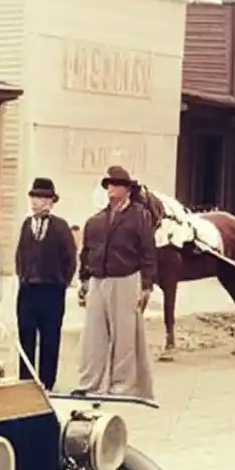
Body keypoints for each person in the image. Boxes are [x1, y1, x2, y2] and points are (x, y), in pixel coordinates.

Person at [76, 165, 157, 399]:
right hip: (99, 278)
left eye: (116, 184)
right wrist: (84, 279)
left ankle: (122, 385)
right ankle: (89, 382)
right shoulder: (97, 219)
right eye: (109, 185)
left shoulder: (139, 216)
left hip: (126, 278)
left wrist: (147, 283)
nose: (111, 188)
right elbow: (87, 251)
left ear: (127, 190)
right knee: (93, 334)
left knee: (124, 336)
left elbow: (148, 251)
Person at [14, 177, 76, 390]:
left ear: (50, 201)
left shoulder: (60, 227)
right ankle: (26, 380)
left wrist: (61, 282)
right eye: (33, 197)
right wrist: (22, 277)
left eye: (40, 198)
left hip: (51, 290)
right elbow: (20, 254)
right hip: (28, 290)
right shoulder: (26, 224)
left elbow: (70, 258)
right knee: (25, 335)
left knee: (50, 337)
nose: (35, 202)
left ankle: (47, 382)